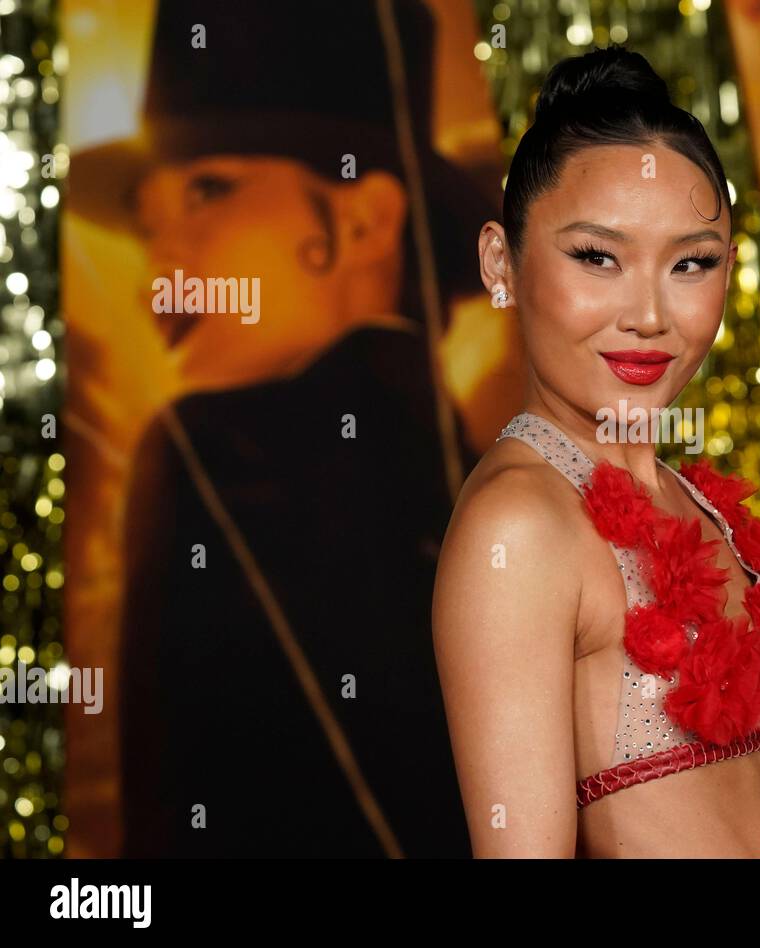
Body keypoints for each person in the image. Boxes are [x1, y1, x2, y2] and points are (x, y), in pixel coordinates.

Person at [70, 0, 507, 856]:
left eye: (209, 190)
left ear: (363, 221)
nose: (163, 266)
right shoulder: (504, 469)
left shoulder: (205, 450)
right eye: (151, 225)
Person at [432, 46, 760, 859]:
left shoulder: (696, 505)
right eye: (598, 258)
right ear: (500, 264)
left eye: (691, 263)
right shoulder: (518, 527)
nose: (651, 315)